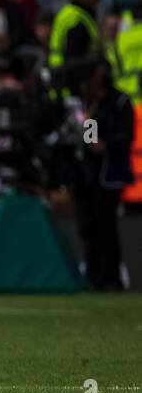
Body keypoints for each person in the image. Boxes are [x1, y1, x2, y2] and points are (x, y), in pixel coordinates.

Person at [68, 62, 134, 291]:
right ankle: (93, 276)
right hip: (88, 173)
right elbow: (89, 133)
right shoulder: (89, 103)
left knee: (107, 226)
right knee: (88, 226)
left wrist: (106, 145)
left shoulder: (119, 102)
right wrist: (91, 141)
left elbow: (126, 134)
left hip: (109, 173)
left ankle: (111, 277)